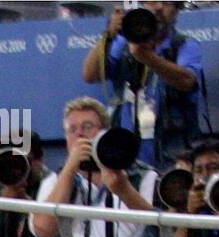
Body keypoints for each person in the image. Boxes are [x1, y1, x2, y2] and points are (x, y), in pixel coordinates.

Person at [31, 97, 158, 237]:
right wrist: (69, 170)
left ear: (105, 133)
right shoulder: (54, 180)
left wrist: (124, 190)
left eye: (88, 127)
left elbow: (158, 228)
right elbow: (44, 229)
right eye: (72, 130)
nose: (79, 135)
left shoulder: (143, 177)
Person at [82, 2, 203, 168]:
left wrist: (145, 56)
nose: (158, 7)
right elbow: (91, 75)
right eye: (152, 1)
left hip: (174, 159)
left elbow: (187, 81)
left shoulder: (183, 46)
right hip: (128, 160)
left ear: (176, 13)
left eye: (166, 3)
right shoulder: (123, 45)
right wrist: (109, 34)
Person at [172, 136, 219, 237]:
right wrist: (188, 216)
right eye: (199, 170)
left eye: (213, 168)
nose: (205, 176)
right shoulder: (194, 212)